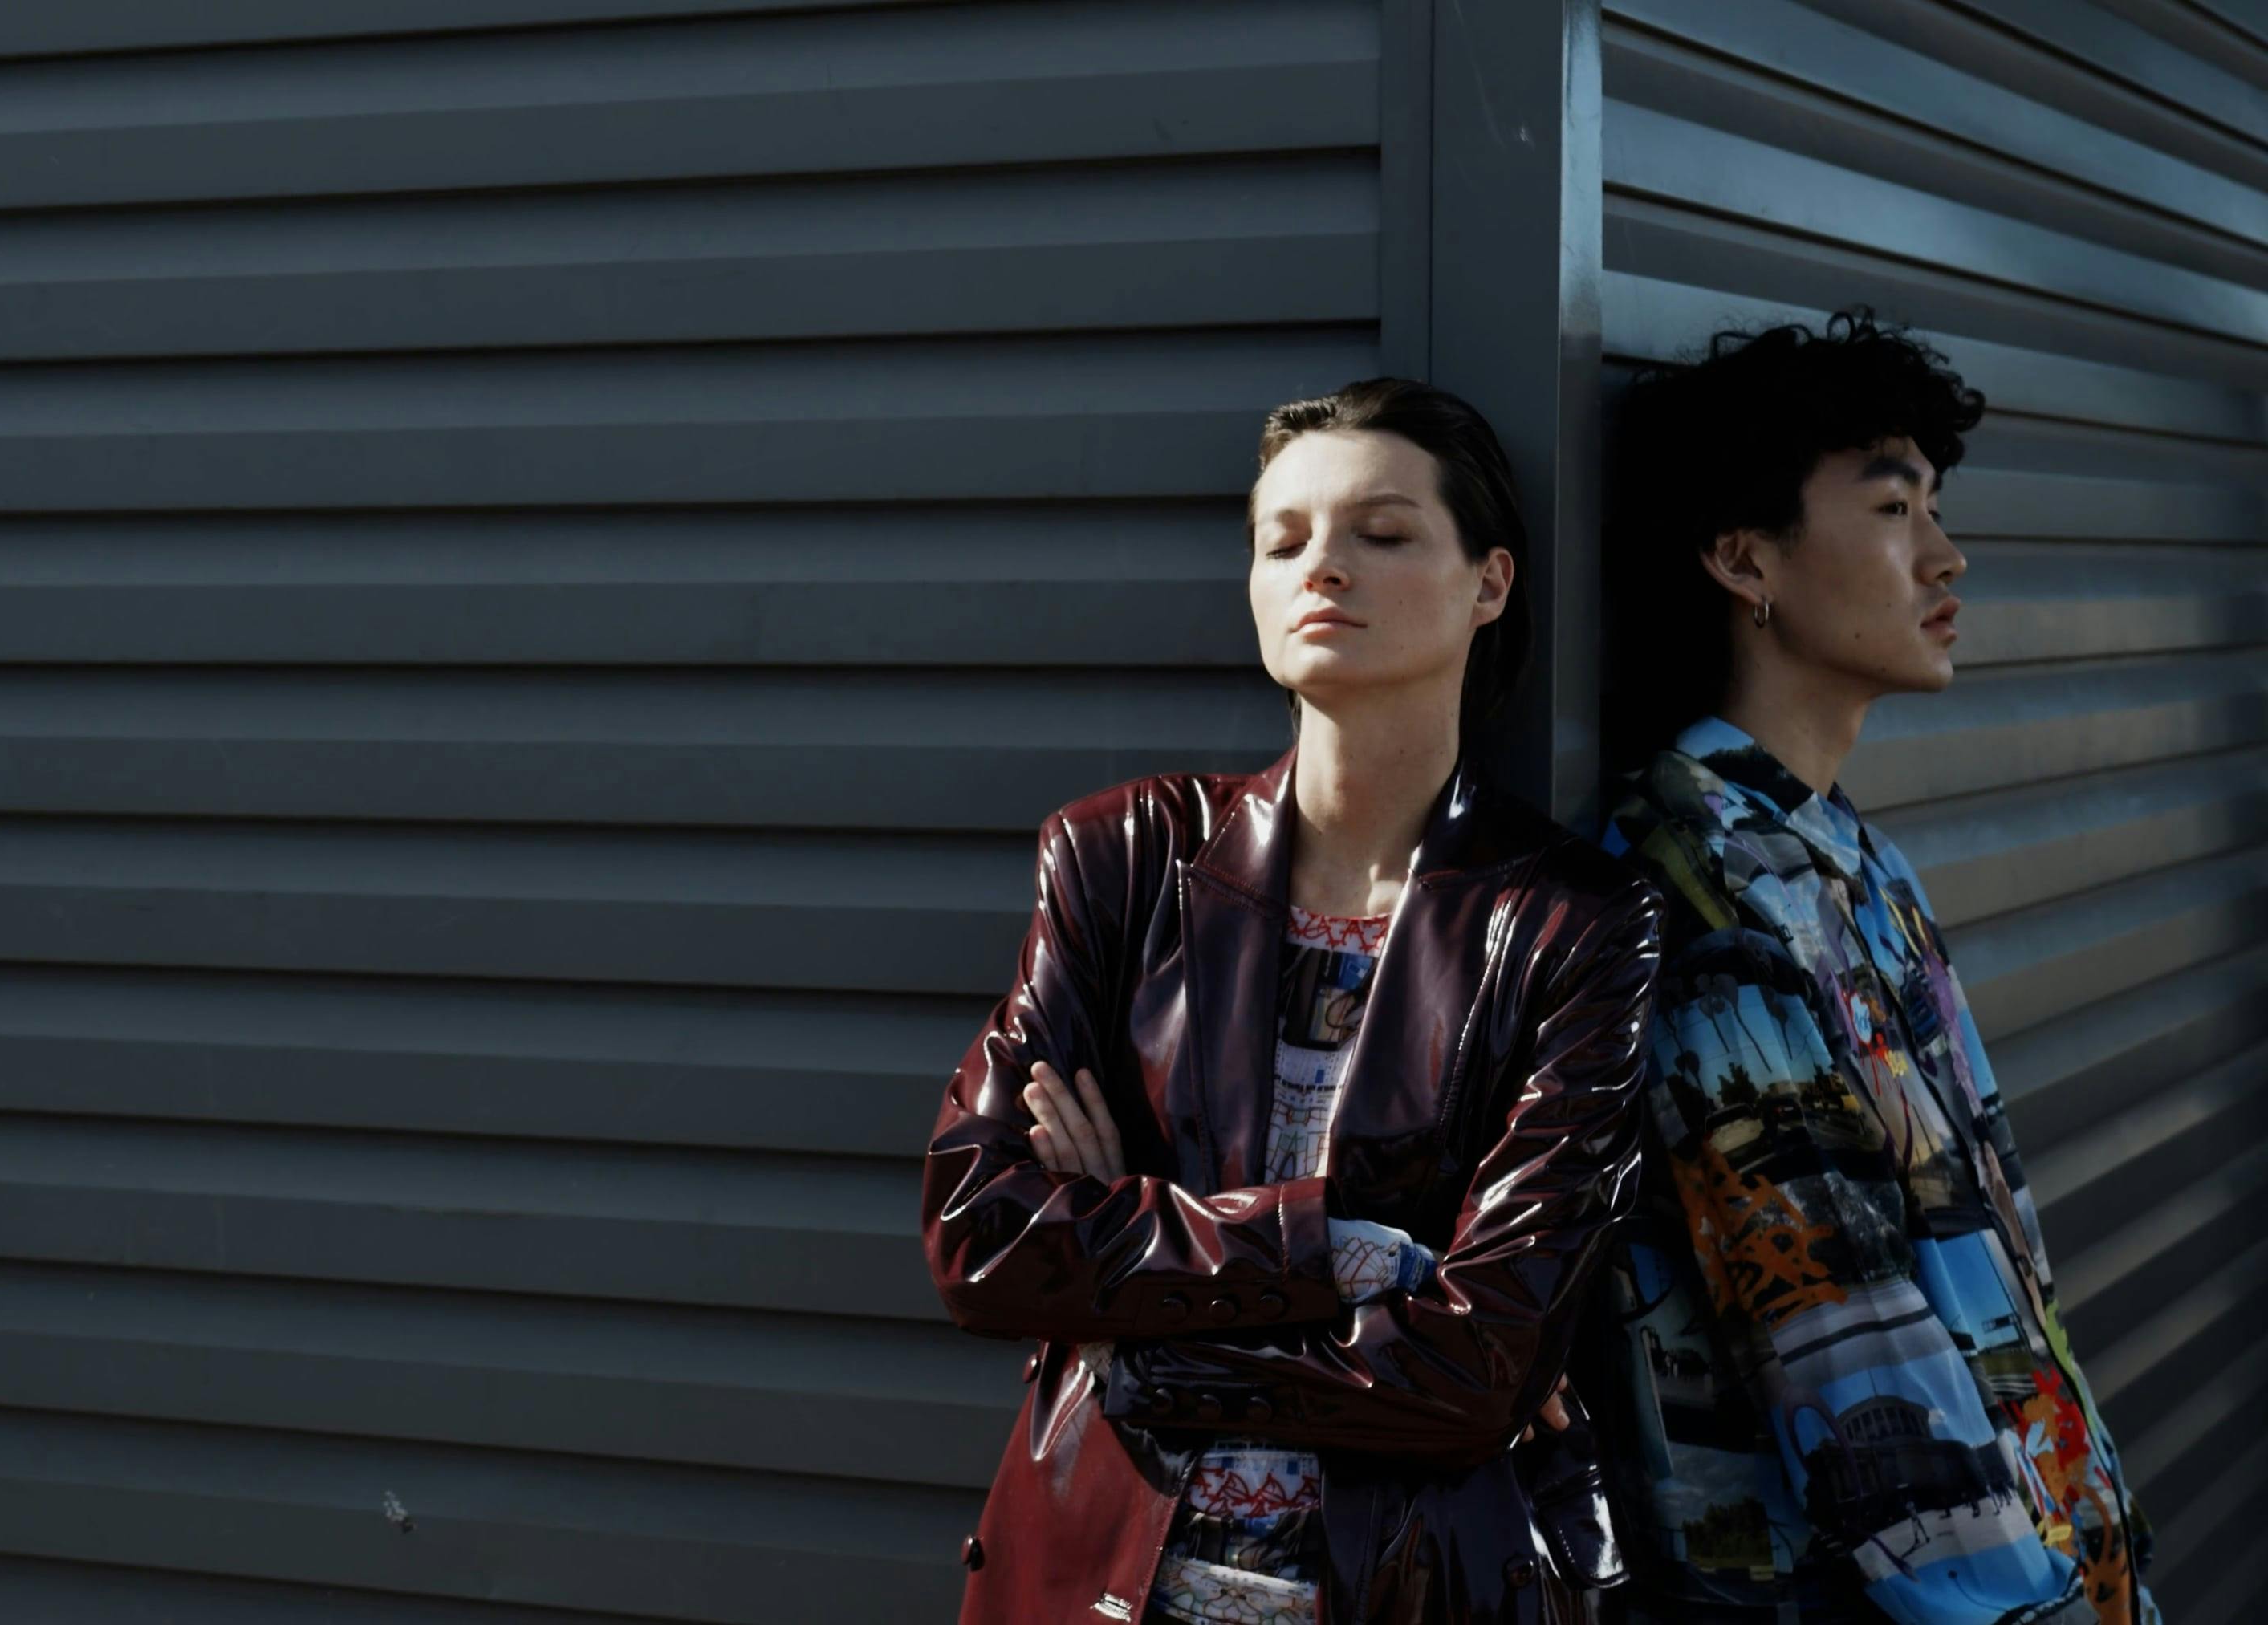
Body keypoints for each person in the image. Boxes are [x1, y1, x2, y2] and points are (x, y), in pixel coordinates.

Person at [921, 376, 1665, 1625]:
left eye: (1382, 534)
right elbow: (986, 1236)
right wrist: (1341, 1250)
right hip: (1105, 1582)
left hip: (1414, 1590)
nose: (1325, 567)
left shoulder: (1574, 920)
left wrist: (1131, 1319)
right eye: (1286, 539)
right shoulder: (1120, 860)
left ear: (1491, 582)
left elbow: (1482, 1366)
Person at [1584, 310, 2158, 1624]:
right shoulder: (1696, 880)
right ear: (1745, 560)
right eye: (1896, 509)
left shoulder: (1847, 854)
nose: (1945, 556)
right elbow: (1835, 1351)